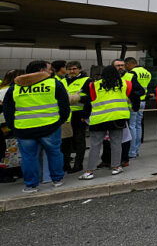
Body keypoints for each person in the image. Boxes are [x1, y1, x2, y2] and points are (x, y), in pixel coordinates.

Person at [3, 61, 70, 193]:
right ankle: (57, 180)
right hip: (50, 126)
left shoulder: (15, 87)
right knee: (54, 153)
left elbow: (8, 109)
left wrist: (13, 126)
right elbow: (64, 105)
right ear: (41, 70)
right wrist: (59, 121)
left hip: (24, 129)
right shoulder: (53, 83)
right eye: (49, 69)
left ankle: (31, 185)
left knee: (28, 157)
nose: (51, 72)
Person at [78, 65, 134, 180]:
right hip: (118, 118)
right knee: (116, 143)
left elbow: (90, 100)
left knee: (95, 145)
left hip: (99, 119)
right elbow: (130, 95)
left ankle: (89, 171)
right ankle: (116, 167)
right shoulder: (125, 84)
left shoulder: (93, 85)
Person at [62, 61, 91, 173]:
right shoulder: (62, 81)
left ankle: (78, 165)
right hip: (65, 115)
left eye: (74, 69)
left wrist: (85, 114)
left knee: (79, 140)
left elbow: (90, 98)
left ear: (79, 69)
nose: (72, 71)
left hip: (79, 114)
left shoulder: (86, 80)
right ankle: (66, 165)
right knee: (66, 141)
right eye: (69, 69)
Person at [124, 57, 151, 159]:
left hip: (133, 101)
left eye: (126, 65)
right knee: (138, 126)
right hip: (143, 101)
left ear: (130, 64)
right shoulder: (147, 72)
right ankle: (136, 149)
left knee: (132, 126)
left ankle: (131, 151)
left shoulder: (132, 73)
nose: (125, 67)